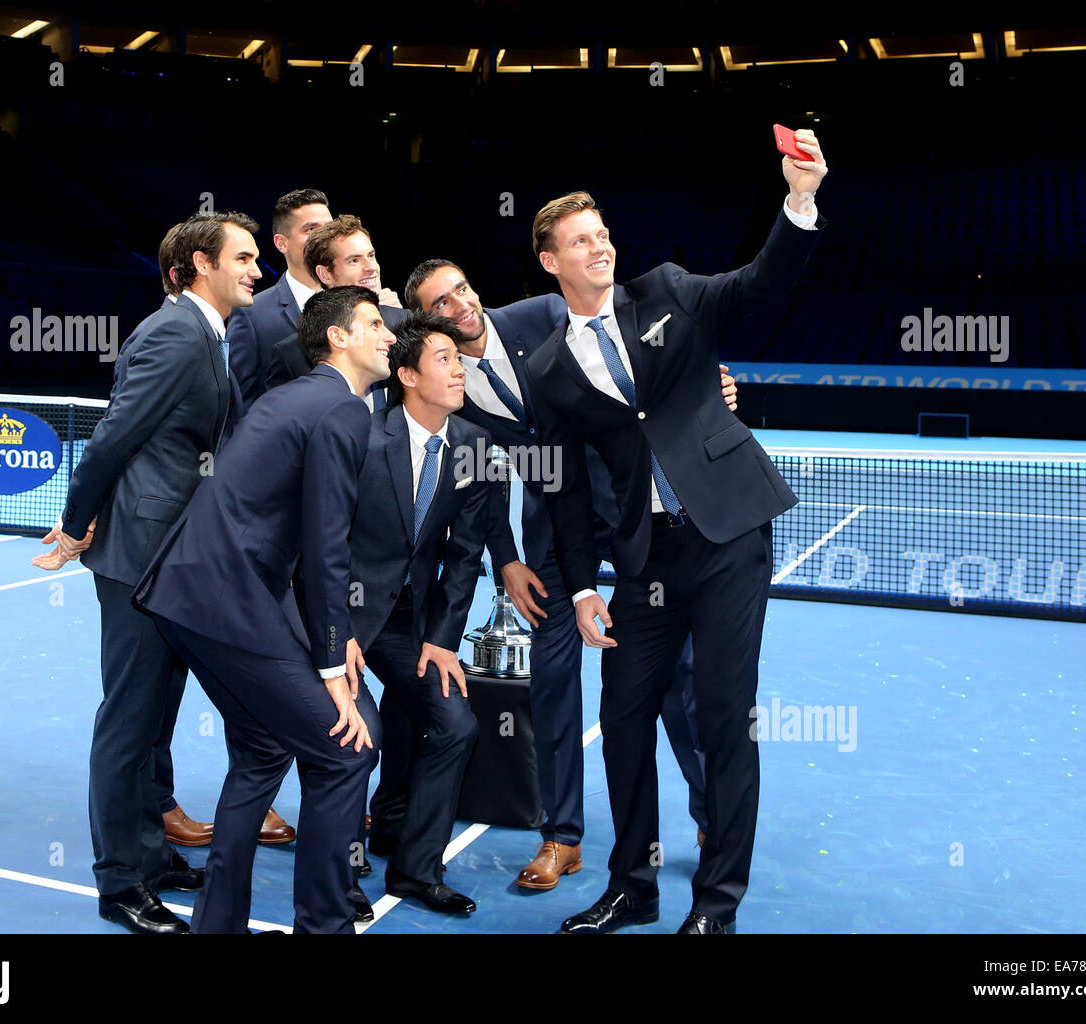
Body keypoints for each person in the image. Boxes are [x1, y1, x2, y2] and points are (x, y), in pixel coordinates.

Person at [526, 127, 828, 934]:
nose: (599, 246)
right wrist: (584, 585)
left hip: (729, 535)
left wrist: (798, 198)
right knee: (624, 718)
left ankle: (716, 905)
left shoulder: (667, 288)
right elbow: (560, 489)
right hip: (643, 560)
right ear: (549, 262)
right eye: (579, 240)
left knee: (726, 716)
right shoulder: (548, 369)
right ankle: (633, 886)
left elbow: (761, 282)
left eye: (603, 233)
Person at [403, 261, 739, 887]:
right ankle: (562, 837)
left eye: (462, 289)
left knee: (677, 673)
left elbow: (633, 352)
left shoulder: (543, 313)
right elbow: (482, 478)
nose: (460, 305)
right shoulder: (449, 389)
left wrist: (702, 389)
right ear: (428, 319)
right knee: (553, 680)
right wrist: (506, 558)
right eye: (441, 303)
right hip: (555, 537)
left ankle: (710, 809)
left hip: (635, 512)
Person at [133, 285, 392, 933]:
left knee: (262, 747)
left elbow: (291, 538)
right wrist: (331, 664)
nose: (389, 334)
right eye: (373, 324)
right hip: (229, 600)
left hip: (184, 594)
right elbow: (325, 542)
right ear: (339, 337)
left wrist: (333, 642)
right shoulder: (342, 410)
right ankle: (325, 926)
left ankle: (217, 926)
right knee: (344, 752)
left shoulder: (294, 397)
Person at [34, 211, 261, 933]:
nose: (257, 270)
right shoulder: (175, 331)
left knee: (156, 716)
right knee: (130, 721)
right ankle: (118, 880)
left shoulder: (207, 334)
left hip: (174, 556)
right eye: (246, 257)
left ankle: (151, 855)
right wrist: (75, 523)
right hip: (139, 556)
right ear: (200, 264)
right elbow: (113, 435)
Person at [345, 311, 495, 916]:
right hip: (347, 617)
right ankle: (341, 870)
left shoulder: (475, 447)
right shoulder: (360, 436)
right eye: (443, 360)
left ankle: (415, 868)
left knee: (457, 724)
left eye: (459, 360)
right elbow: (322, 544)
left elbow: (464, 555)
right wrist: (334, 638)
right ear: (406, 374)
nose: (458, 370)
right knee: (358, 740)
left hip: (413, 624)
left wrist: (443, 639)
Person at [266, 214, 406, 409]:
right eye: (354, 260)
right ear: (326, 274)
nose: (371, 268)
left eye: (371, 256)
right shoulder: (292, 354)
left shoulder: (407, 325)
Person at [226, 188, 333, 407]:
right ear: (281, 243)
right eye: (311, 229)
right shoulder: (251, 315)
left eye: (330, 229)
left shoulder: (357, 305)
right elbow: (241, 404)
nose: (324, 238)